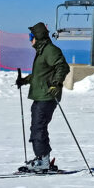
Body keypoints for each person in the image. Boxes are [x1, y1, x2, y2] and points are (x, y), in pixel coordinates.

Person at [15, 22, 70, 173]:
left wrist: (56, 83)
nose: (29, 39)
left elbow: (63, 66)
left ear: (37, 37)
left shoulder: (50, 50)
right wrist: (24, 80)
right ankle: (42, 158)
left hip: (47, 96)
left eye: (31, 36)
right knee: (38, 127)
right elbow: (40, 74)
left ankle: (43, 160)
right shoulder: (42, 51)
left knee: (38, 127)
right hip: (40, 95)